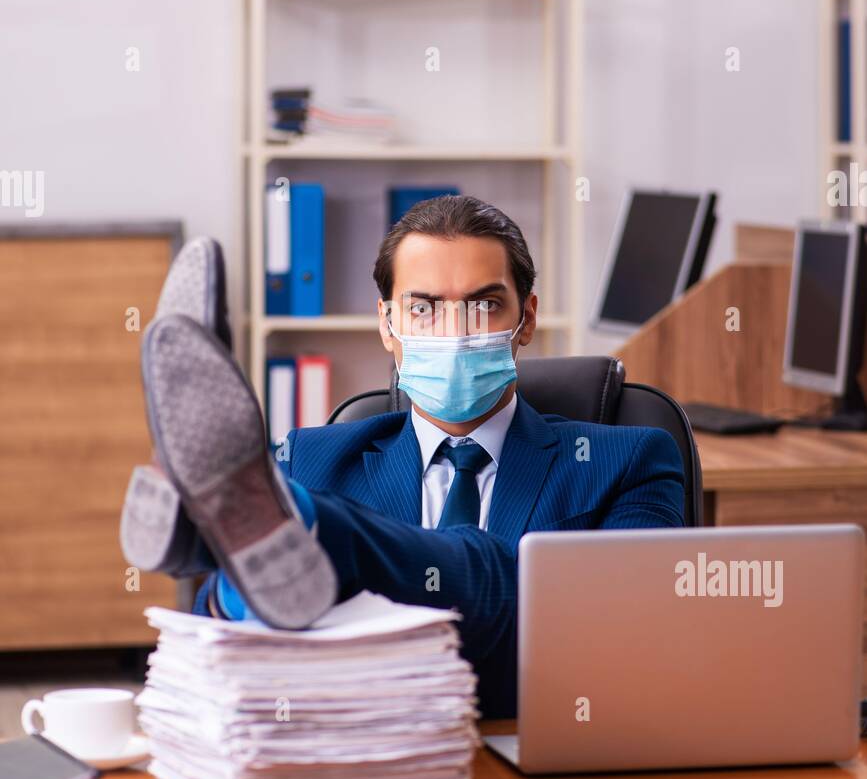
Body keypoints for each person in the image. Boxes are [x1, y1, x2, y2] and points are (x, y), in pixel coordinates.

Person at [121, 196, 685, 717]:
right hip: (364, 739)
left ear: (527, 319)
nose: (454, 334)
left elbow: (631, 634)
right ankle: (243, 563)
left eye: (484, 306)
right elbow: (220, 667)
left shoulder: (628, 459)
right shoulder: (311, 460)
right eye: (424, 309)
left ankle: (288, 525)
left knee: (512, 584)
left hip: (543, 729)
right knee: (237, 604)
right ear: (387, 326)